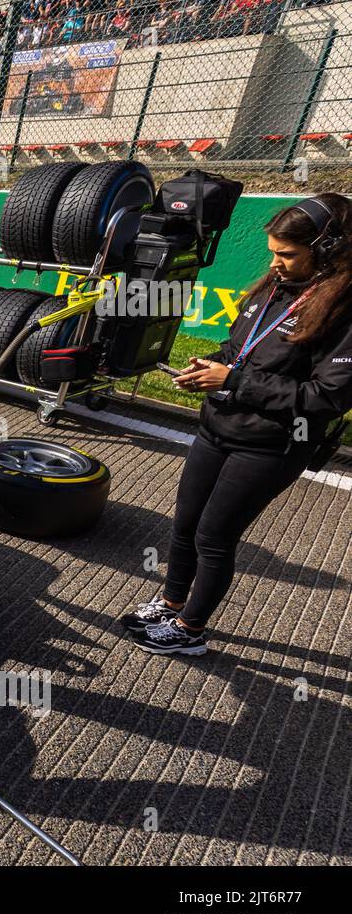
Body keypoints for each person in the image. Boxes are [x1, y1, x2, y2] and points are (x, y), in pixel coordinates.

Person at [122, 193, 352, 656]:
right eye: (273, 252)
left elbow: (325, 397)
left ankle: (190, 630)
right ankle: (170, 602)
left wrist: (235, 379)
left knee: (214, 536)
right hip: (217, 427)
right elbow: (238, 350)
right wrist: (212, 367)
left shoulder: (343, 311)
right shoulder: (271, 289)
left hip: (270, 445)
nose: (276, 262)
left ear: (327, 250)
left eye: (287, 254)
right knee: (185, 523)